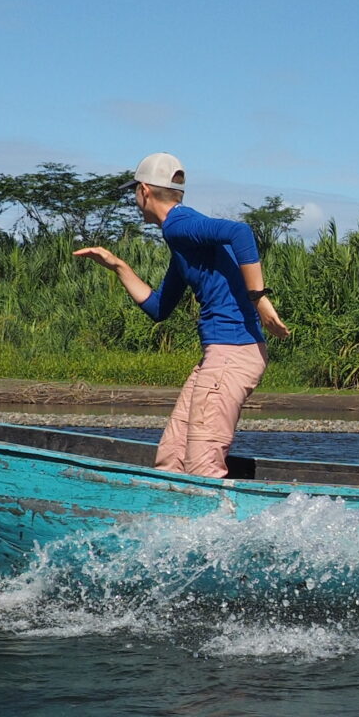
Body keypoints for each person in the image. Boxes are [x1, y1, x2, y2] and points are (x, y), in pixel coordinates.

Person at [71, 153, 292, 478]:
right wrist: (118, 267)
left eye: (135, 193)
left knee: (203, 467)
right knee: (171, 459)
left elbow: (241, 232)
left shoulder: (179, 226)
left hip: (231, 354)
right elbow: (160, 308)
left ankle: (221, 526)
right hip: (218, 357)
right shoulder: (183, 244)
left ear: (144, 191)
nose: (135, 200)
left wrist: (258, 298)